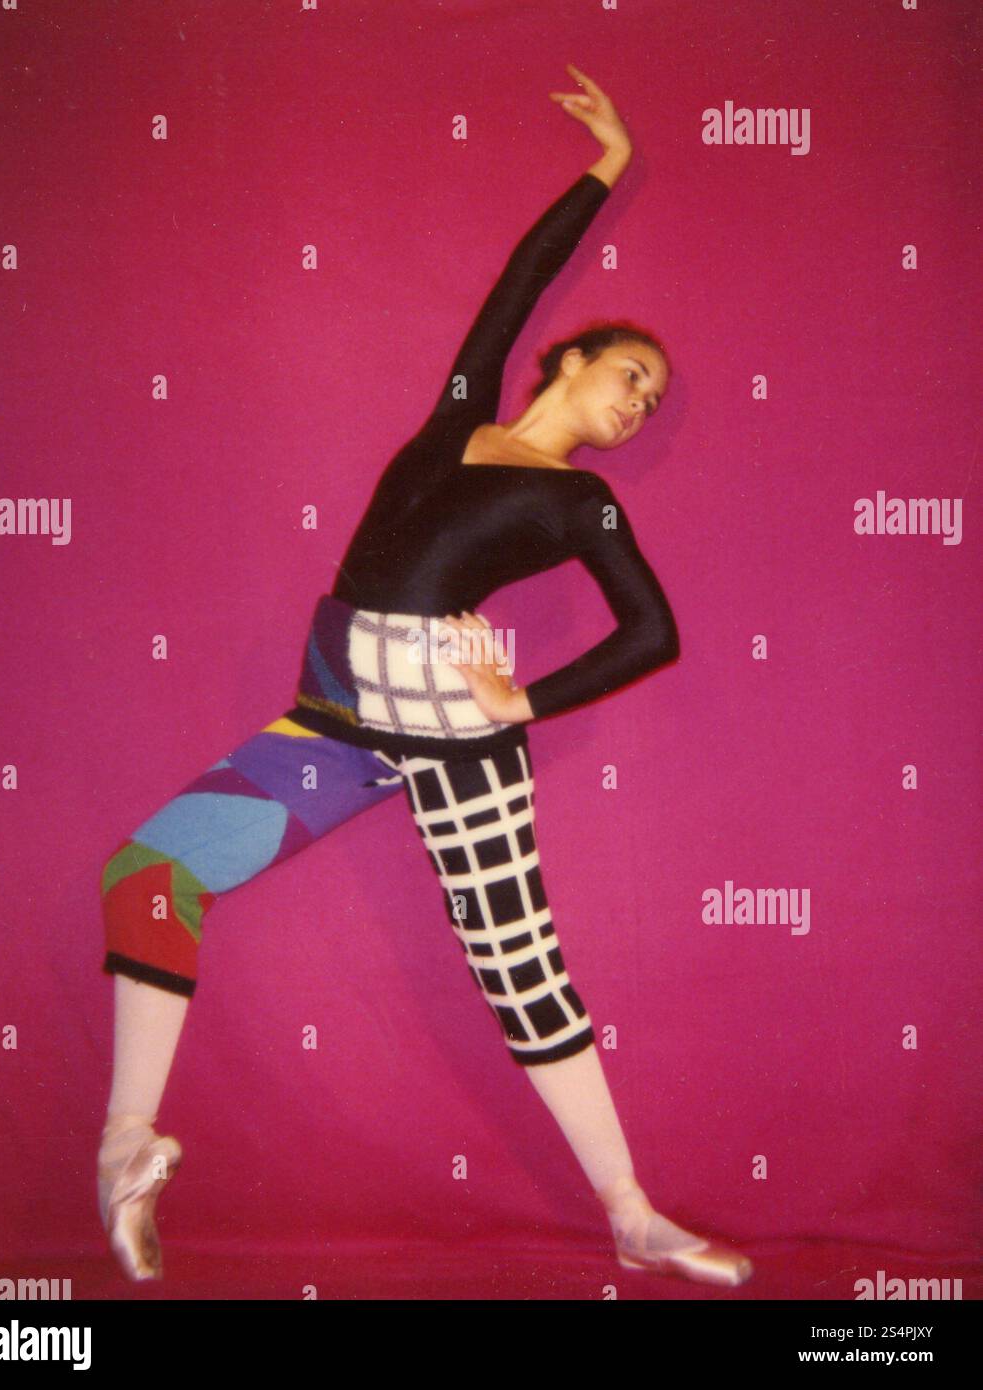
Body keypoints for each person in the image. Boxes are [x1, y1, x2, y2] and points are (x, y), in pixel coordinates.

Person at [97, 66, 753, 1289]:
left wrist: (529, 700)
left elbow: (649, 631)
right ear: (573, 361)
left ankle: (629, 1211)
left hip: (454, 733)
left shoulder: (577, 503)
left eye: (649, 403)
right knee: (152, 872)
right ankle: (125, 1144)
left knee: (521, 971)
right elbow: (517, 284)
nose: (634, 406)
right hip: (340, 716)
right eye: (628, 378)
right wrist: (608, 169)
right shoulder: (459, 412)